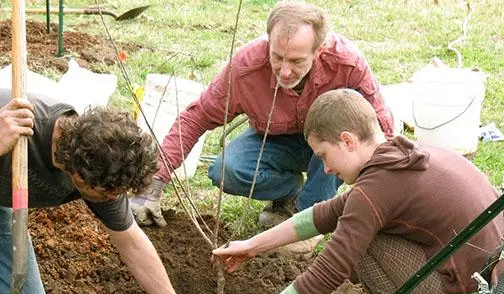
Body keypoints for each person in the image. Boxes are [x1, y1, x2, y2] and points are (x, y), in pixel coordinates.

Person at [198, 89, 504, 294]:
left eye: (323, 155)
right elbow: (328, 213)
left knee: (365, 241)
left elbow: (328, 272)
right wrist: (253, 245)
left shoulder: (377, 187)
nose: (326, 169)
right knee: (361, 226)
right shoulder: (402, 156)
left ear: (347, 141)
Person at [131, 0, 395, 255]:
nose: (285, 70)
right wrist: (154, 182)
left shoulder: (346, 63)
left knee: (338, 135)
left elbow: (380, 128)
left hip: (332, 143)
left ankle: (309, 219)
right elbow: (197, 117)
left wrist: (389, 189)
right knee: (227, 170)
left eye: (297, 61)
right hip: (277, 142)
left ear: (319, 49)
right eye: (278, 57)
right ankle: (291, 194)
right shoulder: (246, 67)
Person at [0, 89, 209, 294]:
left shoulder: (102, 163)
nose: (114, 199)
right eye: (108, 194)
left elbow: (133, 244)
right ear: (79, 177)